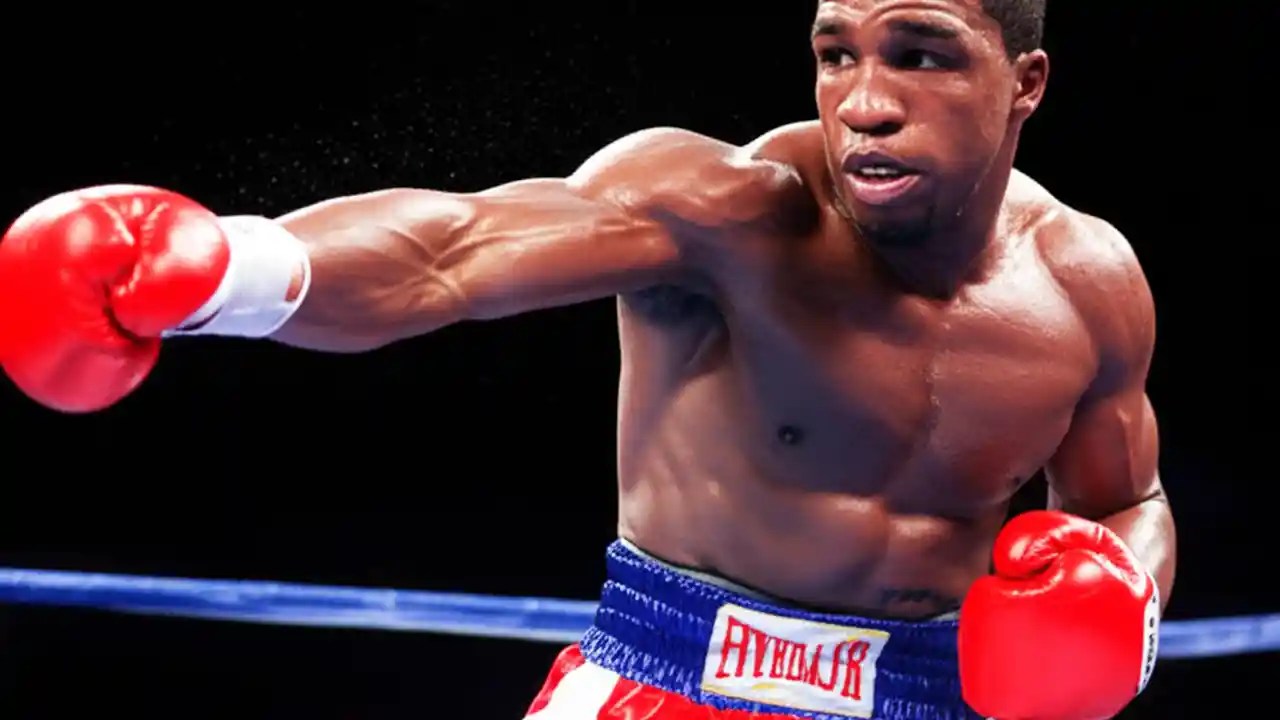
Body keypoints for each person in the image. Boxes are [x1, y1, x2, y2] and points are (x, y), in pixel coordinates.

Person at [0, 0, 1175, 718]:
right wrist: (227, 274)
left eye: (918, 54)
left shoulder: (1086, 281)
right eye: (833, 53)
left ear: (1022, 82)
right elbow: (456, 250)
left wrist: (1123, 601)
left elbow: (1125, 497)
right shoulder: (725, 211)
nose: (860, 102)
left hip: (932, 705)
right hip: (665, 684)